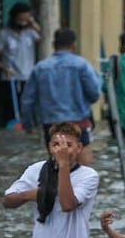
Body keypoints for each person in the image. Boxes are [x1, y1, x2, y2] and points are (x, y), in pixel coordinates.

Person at [2, 122, 99, 238]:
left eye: (68, 145)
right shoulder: (36, 170)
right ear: (49, 147)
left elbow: (68, 204)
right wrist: (32, 194)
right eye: (56, 145)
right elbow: (8, 200)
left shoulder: (88, 176)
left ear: (79, 148)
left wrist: (62, 165)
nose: (62, 150)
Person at [21, 28, 102, 164]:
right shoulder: (82, 65)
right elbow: (94, 94)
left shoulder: (40, 68)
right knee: (84, 171)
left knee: (59, 168)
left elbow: (27, 100)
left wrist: (29, 123)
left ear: (54, 45)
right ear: (73, 45)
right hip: (78, 123)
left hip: (51, 126)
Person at [0, 2, 41, 125]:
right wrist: (5, 69)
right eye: (20, 19)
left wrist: (33, 23)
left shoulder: (31, 33)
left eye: (26, 19)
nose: (23, 22)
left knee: (28, 110)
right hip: (10, 79)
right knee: (10, 112)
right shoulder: (3, 35)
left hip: (28, 77)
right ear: (13, 18)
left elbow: (43, 40)